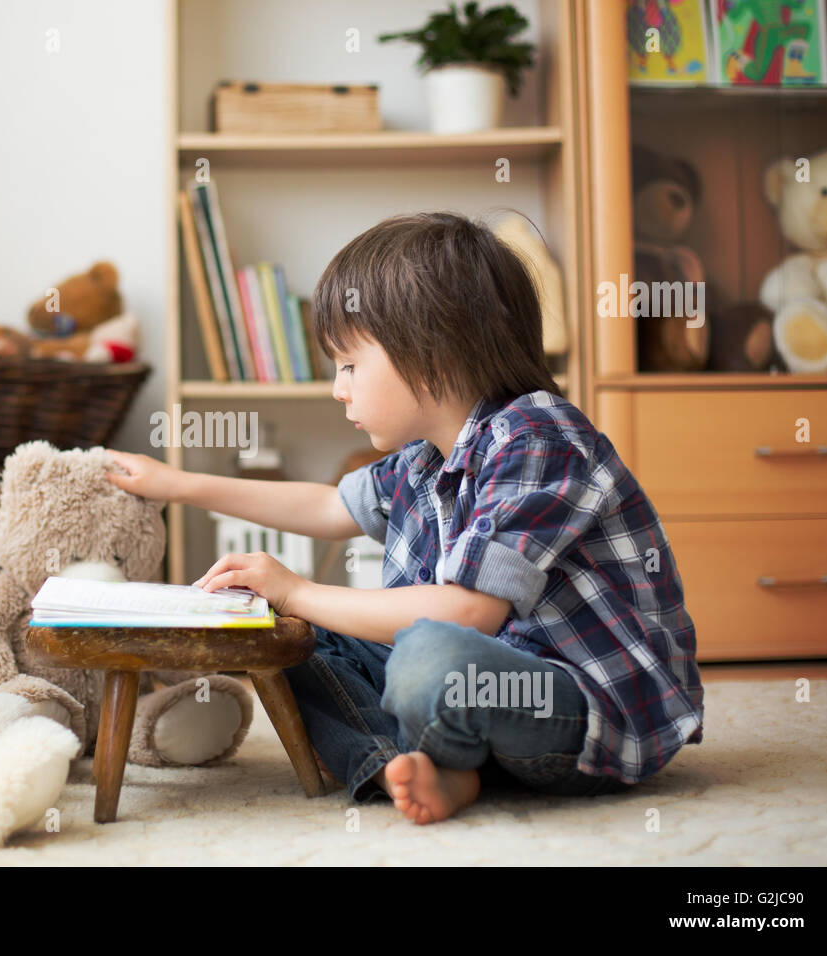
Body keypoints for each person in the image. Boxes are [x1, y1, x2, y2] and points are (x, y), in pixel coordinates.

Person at [106, 211, 704, 824]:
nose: (338, 389)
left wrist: (300, 588)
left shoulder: (537, 436)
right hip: (469, 692)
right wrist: (175, 484)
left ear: (433, 351)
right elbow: (327, 504)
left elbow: (469, 612)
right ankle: (404, 764)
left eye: (348, 365)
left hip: (575, 707)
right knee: (283, 637)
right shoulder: (420, 462)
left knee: (427, 657)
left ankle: (448, 761)